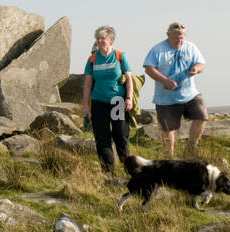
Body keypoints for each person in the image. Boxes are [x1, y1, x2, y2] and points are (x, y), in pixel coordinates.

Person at [142, 22, 207, 158]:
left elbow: (200, 63)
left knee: (201, 116)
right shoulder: (158, 50)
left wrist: (196, 69)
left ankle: (191, 146)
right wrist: (164, 80)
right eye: (176, 37)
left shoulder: (190, 47)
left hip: (189, 93)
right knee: (168, 129)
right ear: (168, 35)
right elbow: (149, 69)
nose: (179, 40)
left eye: (182, 37)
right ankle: (170, 157)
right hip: (166, 98)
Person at [80, 26, 133, 173]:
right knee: (101, 136)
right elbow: (88, 83)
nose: (99, 41)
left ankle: (128, 168)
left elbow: (129, 79)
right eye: (97, 38)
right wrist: (85, 105)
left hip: (117, 100)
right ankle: (108, 171)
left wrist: (128, 98)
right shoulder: (92, 59)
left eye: (103, 38)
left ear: (111, 40)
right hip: (99, 102)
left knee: (120, 134)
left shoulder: (119, 55)